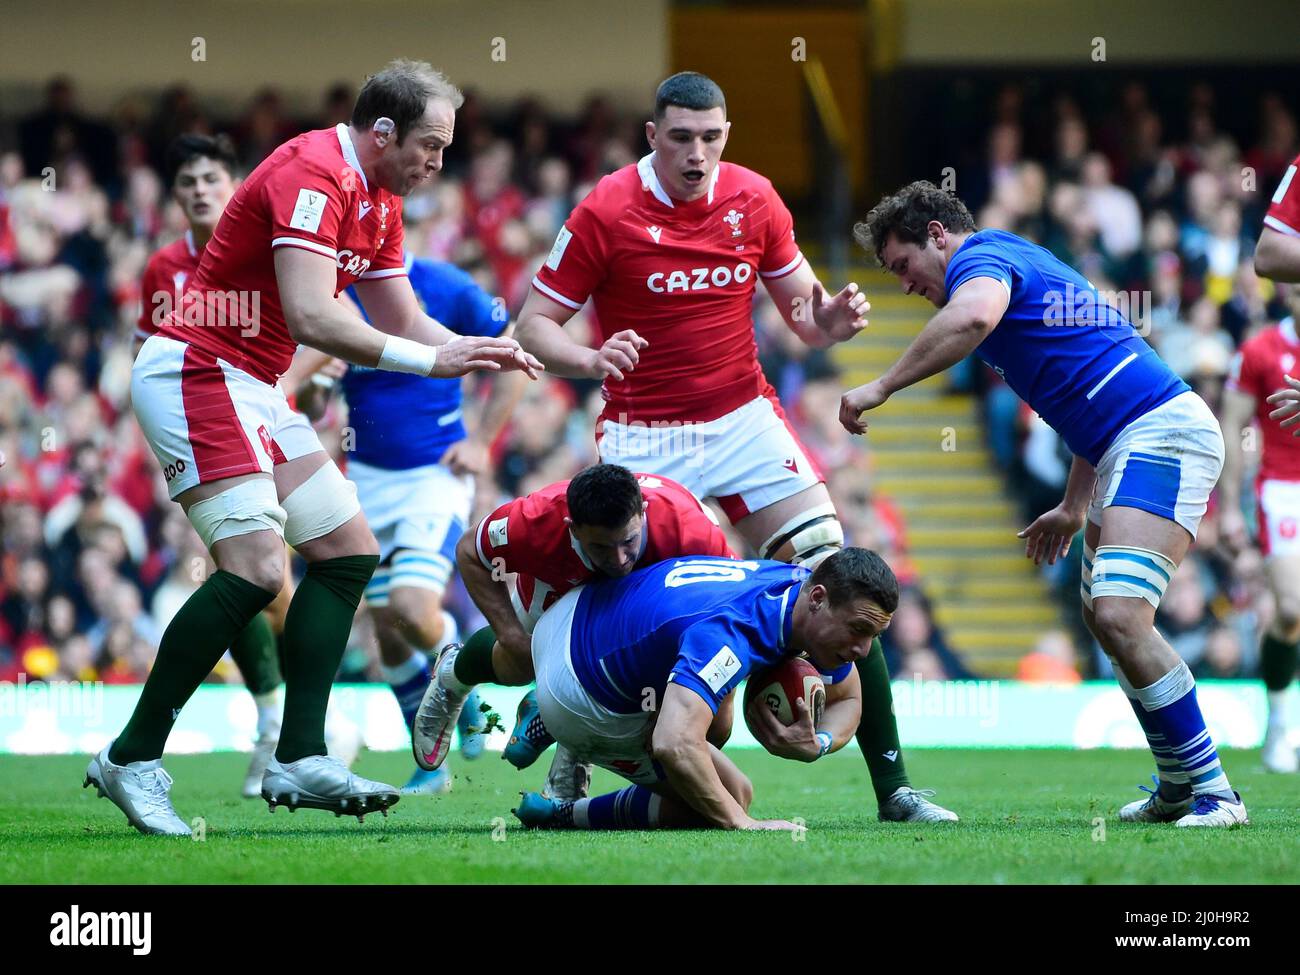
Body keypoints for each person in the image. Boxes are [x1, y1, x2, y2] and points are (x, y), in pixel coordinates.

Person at [84, 60, 540, 836]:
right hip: (198, 369)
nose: (438, 162)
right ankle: (131, 756)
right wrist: (436, 361)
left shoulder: (383, 199)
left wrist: (474, 345)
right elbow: (313, 318)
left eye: (445, 148)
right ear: (382, 131)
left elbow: (400, 312)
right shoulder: (313, 171)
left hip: (253, 382)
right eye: (430, 145)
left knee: (348, 552)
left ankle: (299, 753)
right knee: (260, 570)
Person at [509, 71, 955, 823]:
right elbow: (532, 327)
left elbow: (803, 316)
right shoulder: (605, 210)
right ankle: (569, 748)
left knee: (837, 570)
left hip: (741, 415)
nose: (697, 153)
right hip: (644, 430)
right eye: (681, 137)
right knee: (625, 601)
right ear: (652, 137)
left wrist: (832, 323)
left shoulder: (754, 199)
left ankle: (895, 787)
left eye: (711, 138)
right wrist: (588, 361)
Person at [843, 180, 1246, 827]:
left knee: (1120, 615)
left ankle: (1216, 791)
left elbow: (971, 317)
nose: (905, 285)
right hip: (1123, 441)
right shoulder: (1014, 265)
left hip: (1163, 432)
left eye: (903, 265)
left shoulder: (981, 263)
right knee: (1103, 616)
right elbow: (1085, 404)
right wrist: (1072, 504)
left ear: (939, 236)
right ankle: (1177, 784)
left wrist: (882, 384)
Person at [512, 548, 896, 831]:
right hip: (578, 689)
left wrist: (821, 742)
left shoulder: (794, 584)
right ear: (818, 600)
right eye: (859, 630)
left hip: (577, 614)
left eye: (874, 635)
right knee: (730, 795)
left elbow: (848, 697)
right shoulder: (732, 633)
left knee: (715, 729)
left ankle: (544, 720)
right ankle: (562, 811)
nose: (864, 650)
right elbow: (673, 743)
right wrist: (740, 822)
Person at [327, 252, 526, 794]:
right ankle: (432, 765)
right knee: (388, 634)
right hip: (364, 478)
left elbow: (513, 352)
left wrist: (483, 441)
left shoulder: (447, 286)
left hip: (432, 477)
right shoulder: (331, 285)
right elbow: (318, 383)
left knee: (414, 611)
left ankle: (464, 687)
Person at [416, 463, 736, 800]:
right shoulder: (538, 519)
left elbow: (725, 617)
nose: (619, 559)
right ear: (572, 527)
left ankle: (574, 748)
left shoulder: (692, 534)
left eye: (628, 541)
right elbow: (470, 552)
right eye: (601, 547)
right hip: (557, 585)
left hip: (653, 607)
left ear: (643, 511)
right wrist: (511, 637)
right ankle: (453, 674)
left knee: (712, 725)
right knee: (520, 666)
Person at [137, 134, 287, 799]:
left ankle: (296, 723)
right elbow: (152, 364)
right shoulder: (163, 269)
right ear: (175, 196)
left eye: (210, 177)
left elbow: (309, 335)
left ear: (236, 186)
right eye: (186, 181)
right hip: (204, 425)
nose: (199, 189)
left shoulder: (264, 251)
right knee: (246, 568)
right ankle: (284, 724)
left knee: (294, 567)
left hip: (279, 418)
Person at [1219, 284, 1300, 772]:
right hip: (1284, 488)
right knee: (1290, 610)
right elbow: (1232, 424)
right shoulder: (1260, 350)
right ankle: (1280, 723)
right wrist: (1229, 505)